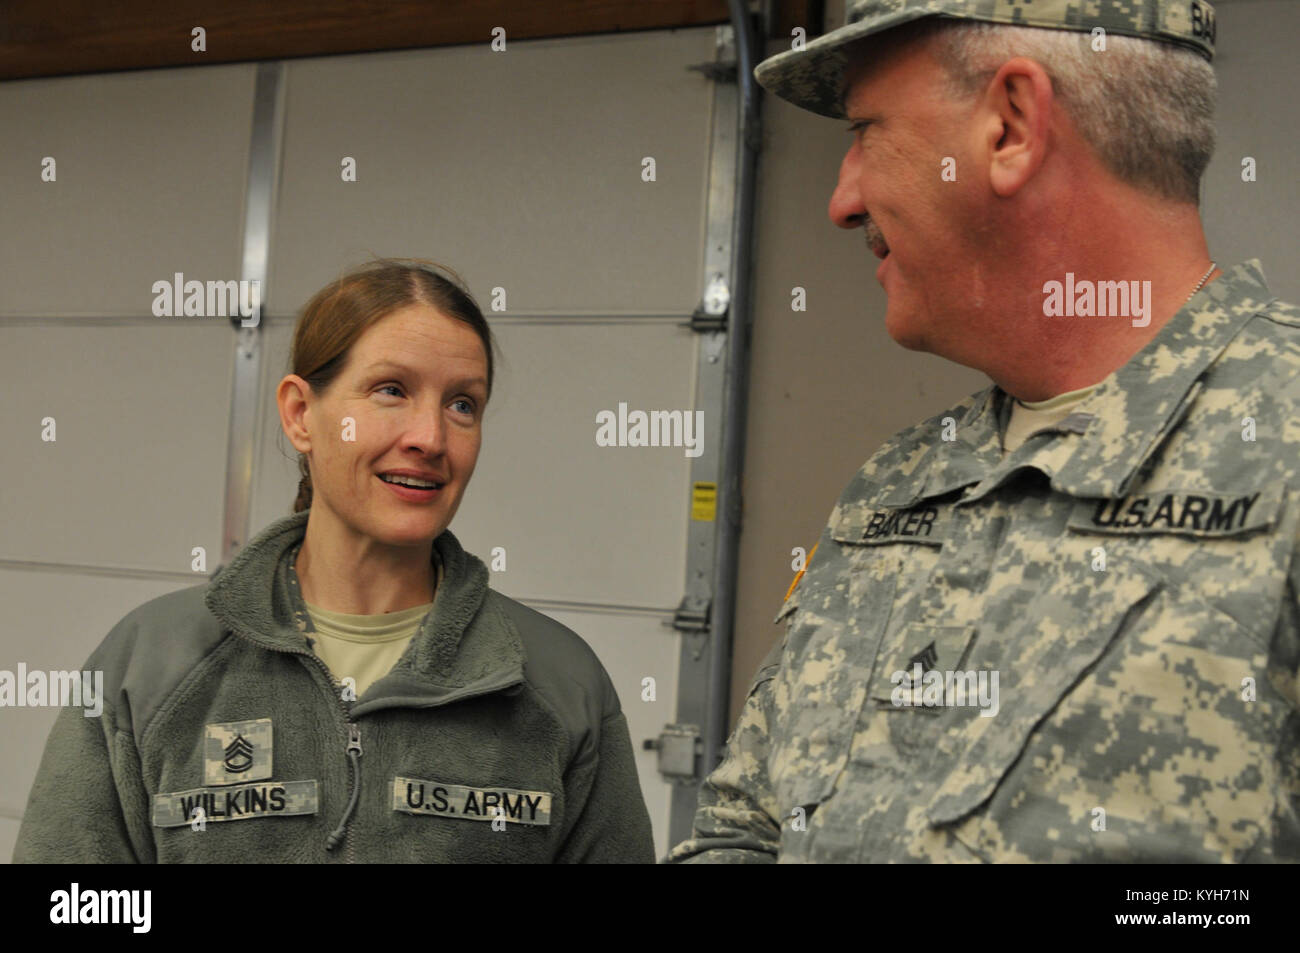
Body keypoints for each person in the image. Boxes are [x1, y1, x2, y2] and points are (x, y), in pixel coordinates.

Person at [669, 0, 1300, 862]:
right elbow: (742, 830)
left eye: (866, 131)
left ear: (1010, 126)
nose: (842, 201)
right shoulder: (901, 481)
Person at [15, 259, 655, 863]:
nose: (430, 437)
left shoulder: (556, 684)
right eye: (391, 390)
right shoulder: (151, 664)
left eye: (463, 403)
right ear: (300, 414)